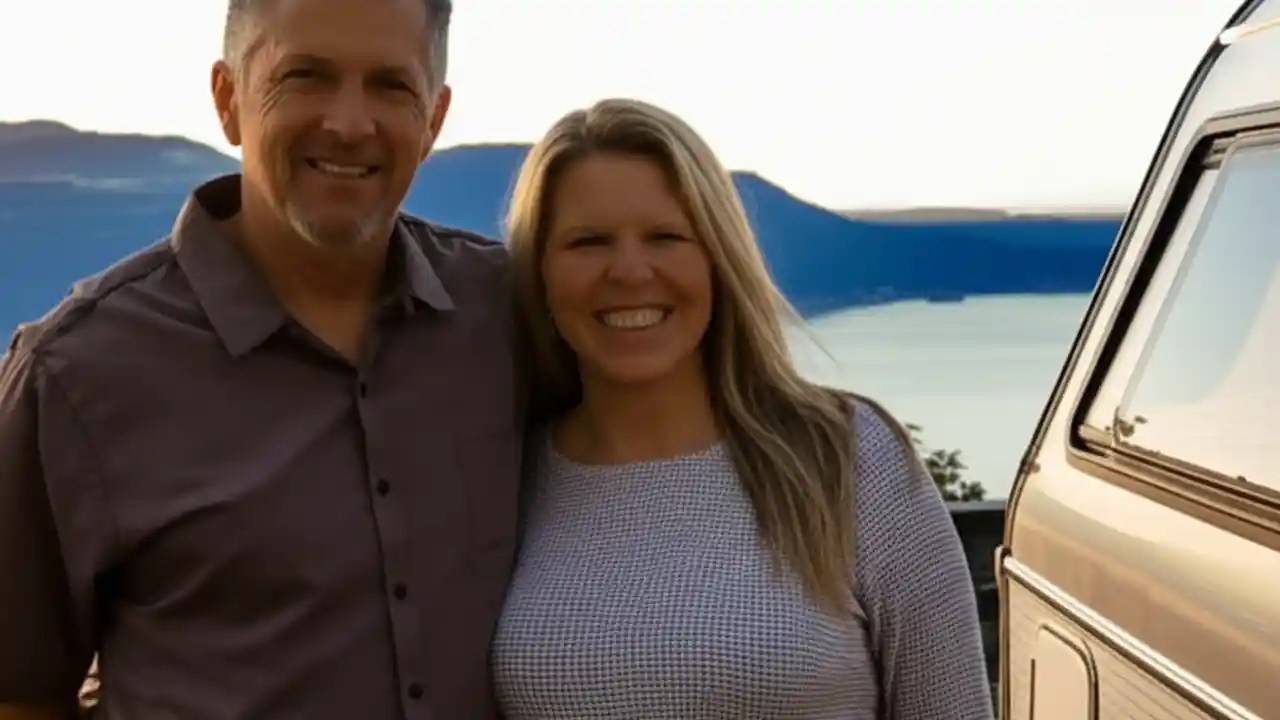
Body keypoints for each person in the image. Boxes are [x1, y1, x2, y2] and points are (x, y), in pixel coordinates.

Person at [0, 0, 523, 717]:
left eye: (390, 85)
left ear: (433, 118)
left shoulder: (513, 319)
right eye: (305, 76)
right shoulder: (76, 374)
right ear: (228, 100)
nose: (347, 122)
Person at [491, 97, 995, 719]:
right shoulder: (503, 480)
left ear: (717, 259)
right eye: (588, 242)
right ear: (539, 272)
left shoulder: (849, 459)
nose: (628, 271)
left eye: (666, 237)